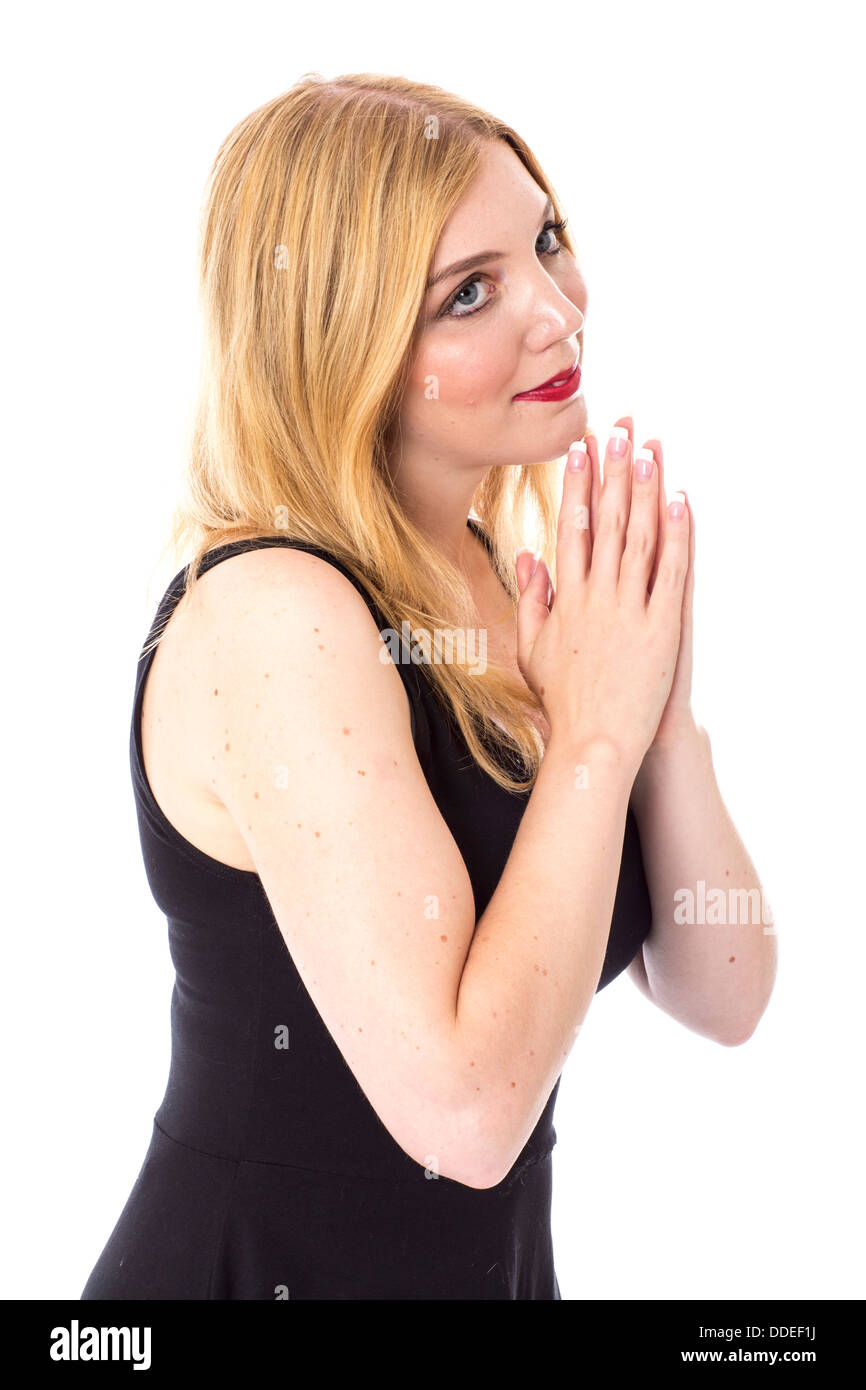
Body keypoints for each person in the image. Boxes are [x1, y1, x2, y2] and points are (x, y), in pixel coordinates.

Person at [80, 72, 777, 1301]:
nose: (556, 313)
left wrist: (656, 722)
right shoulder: (275, 617)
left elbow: (724, 990)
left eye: (546, 240)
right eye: (469, 293)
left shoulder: (507, 587)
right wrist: (591, 746)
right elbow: (463, 1116)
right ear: (338, 341)